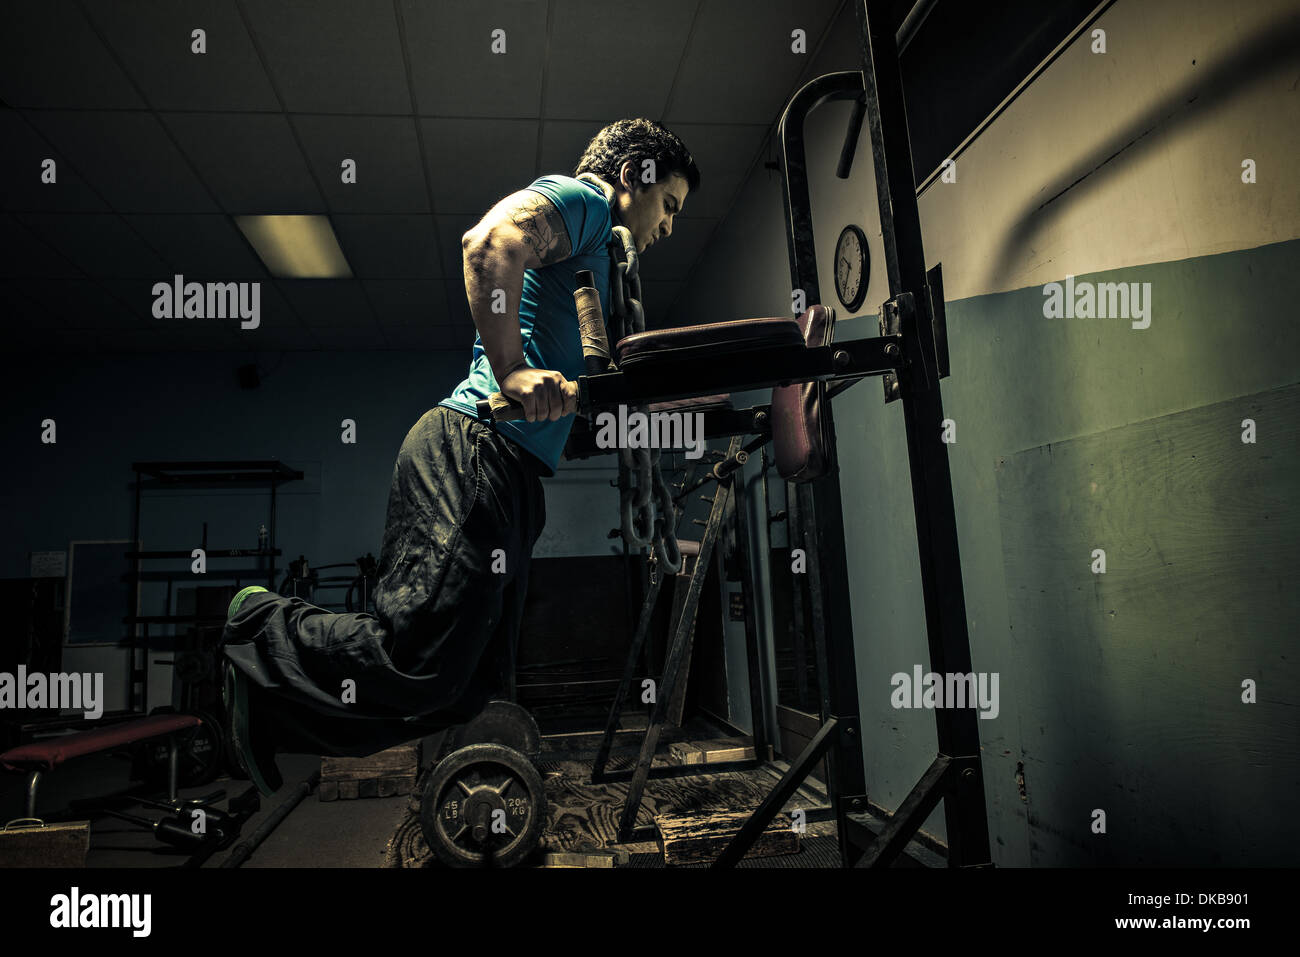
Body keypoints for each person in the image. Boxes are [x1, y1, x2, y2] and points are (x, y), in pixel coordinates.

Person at [221, 118, 701, 795]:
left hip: (516, 474)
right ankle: (259, 624)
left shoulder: (593, 262)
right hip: (473, 449)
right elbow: (491, 243)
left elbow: (572, 407)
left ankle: (268, 709)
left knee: (463, 693)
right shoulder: (585, 202)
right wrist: (509, 368)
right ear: (634, 176)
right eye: (670, 205)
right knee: (419, 659)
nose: (670, 226)